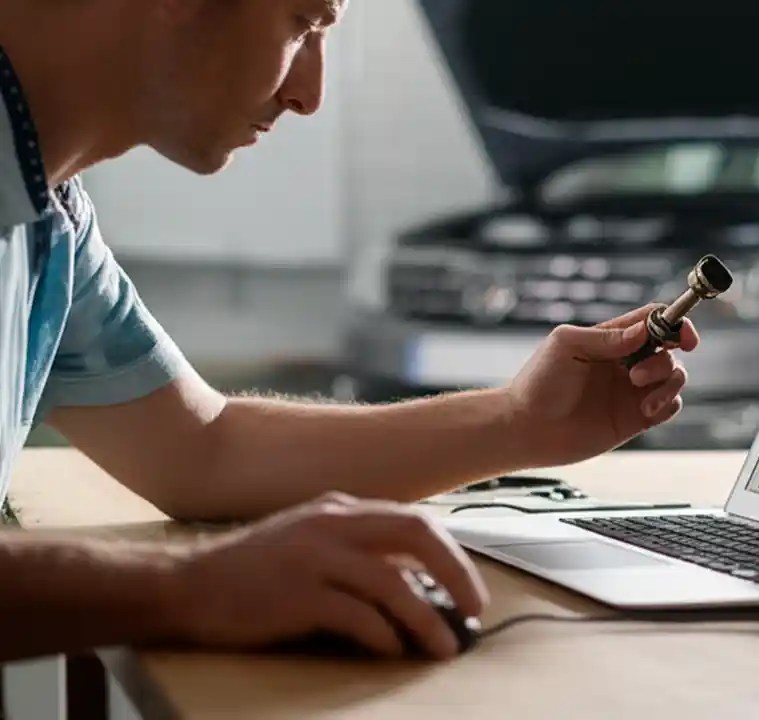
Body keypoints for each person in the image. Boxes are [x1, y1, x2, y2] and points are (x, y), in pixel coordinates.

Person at [0, 0, 698, 663]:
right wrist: (187, 588)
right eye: (304, 22)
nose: (311, 93)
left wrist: (518, 423)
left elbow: (202, 451)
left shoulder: (48, 216)